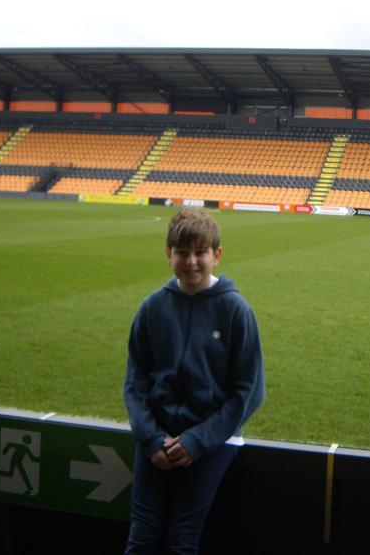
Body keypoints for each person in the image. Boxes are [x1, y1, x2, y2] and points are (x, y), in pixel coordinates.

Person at [123, 208, 265, 554]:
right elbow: (135, 381)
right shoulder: (152, 308)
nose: (191, 262)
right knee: (141, 539)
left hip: (210, 445)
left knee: (180, 543)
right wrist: (151, 438)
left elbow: (249, 391)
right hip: (156, 444)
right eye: (182, 253)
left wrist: (198, 441)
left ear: (216, 255)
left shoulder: (235, 311)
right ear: (168, 255)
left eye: (200, 252)